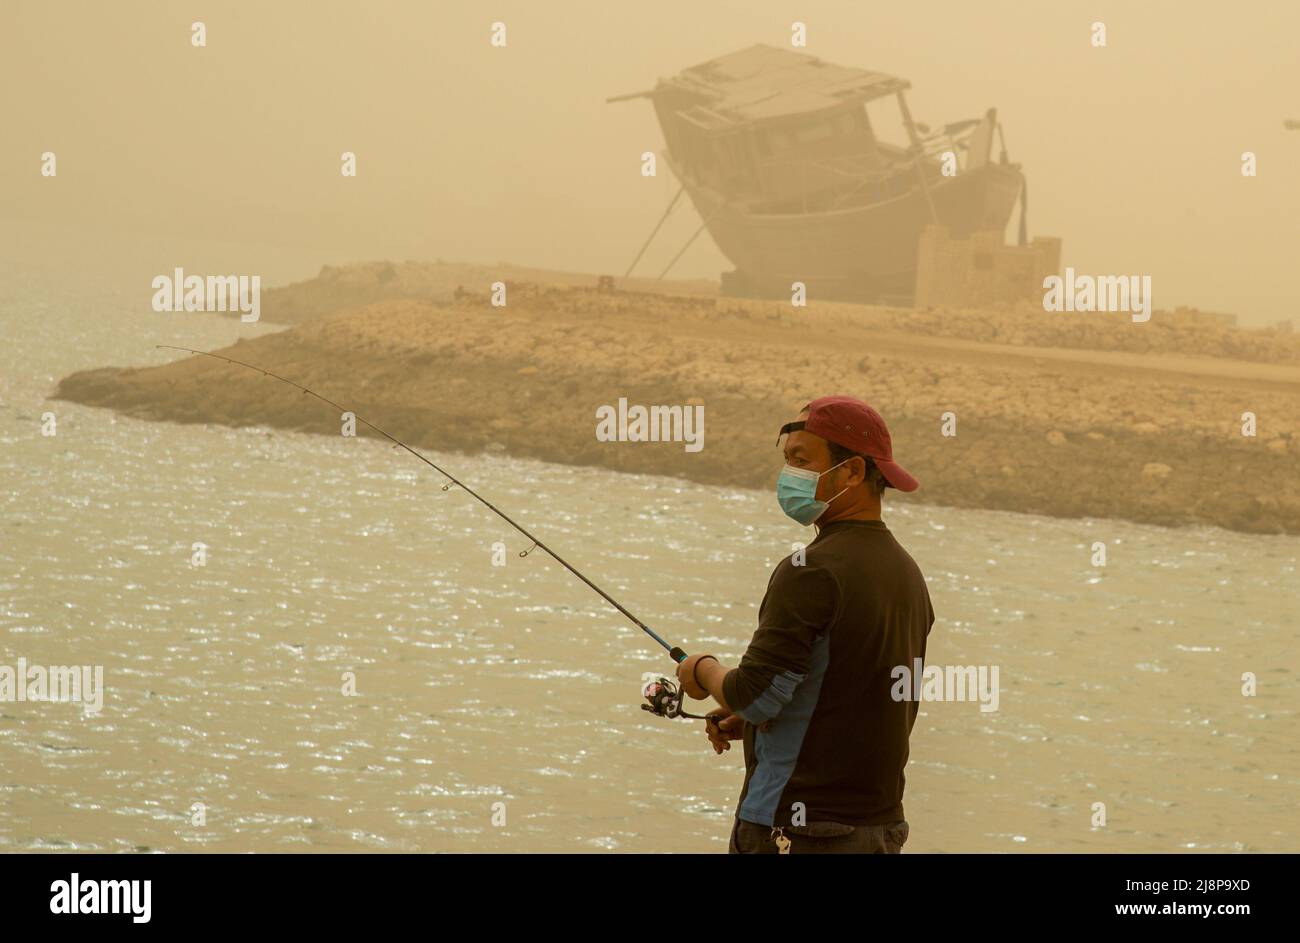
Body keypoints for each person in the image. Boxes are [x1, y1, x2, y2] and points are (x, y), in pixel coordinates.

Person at [677, 395, 934, 854]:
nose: (787, 475)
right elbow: (851, 691)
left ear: (853, 472)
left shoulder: (810, 570)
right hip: (878, 829)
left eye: (801, 460)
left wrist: (702, 670)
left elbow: (752, 694)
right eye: (786, 461)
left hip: (797, 830)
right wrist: (757, 724)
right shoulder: (906, 573)